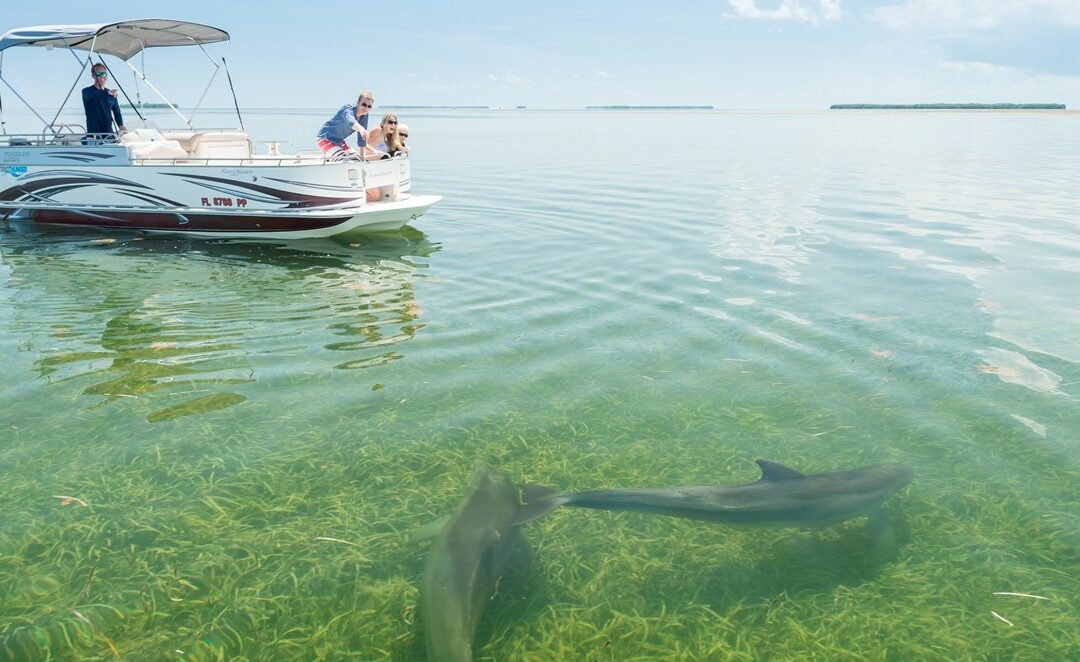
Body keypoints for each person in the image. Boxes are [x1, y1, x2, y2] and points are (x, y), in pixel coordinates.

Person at [316, 91, 388, 162]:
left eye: (369, 106)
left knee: (356, 160)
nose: (366, 108)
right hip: (325, 138)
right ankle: (329, 157)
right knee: (344, 161)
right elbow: (351, 121)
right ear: (358, 102)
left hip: (339, 141)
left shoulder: (364, 115)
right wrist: (361, 129)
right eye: (364, 104)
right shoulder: (347, 109)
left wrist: (362, 157)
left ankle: (329, 156)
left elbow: (361, 139)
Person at [81, 64, 126, 142]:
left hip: (109, 134)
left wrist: (121, 126)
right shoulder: (86, 91)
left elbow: (117, 113)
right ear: (93, 76)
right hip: (93, 136)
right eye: (99, 74)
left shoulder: (111, 94)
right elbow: (95, 95)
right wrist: (107, 93)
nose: (102, 76)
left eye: (104, 74)